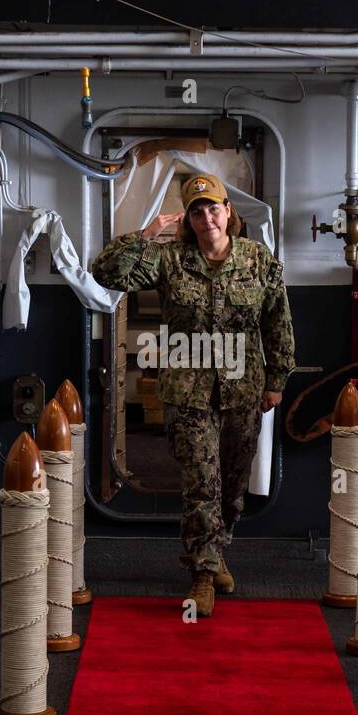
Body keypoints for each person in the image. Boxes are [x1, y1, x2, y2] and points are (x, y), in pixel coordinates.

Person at [91, 172, 295, 615]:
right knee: (201, 481)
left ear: (228, 211)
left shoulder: (257, 260)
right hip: (189, 390)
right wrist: (145, 236)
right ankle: (202, 573)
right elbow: (105, 272)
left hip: (243, 388)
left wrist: (277, 381)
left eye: (213, 208)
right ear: (188, 219)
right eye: (197, 211)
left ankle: (216, 550)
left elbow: (277, 321)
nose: (207, 218)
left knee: (233, 485)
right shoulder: (169, 260)